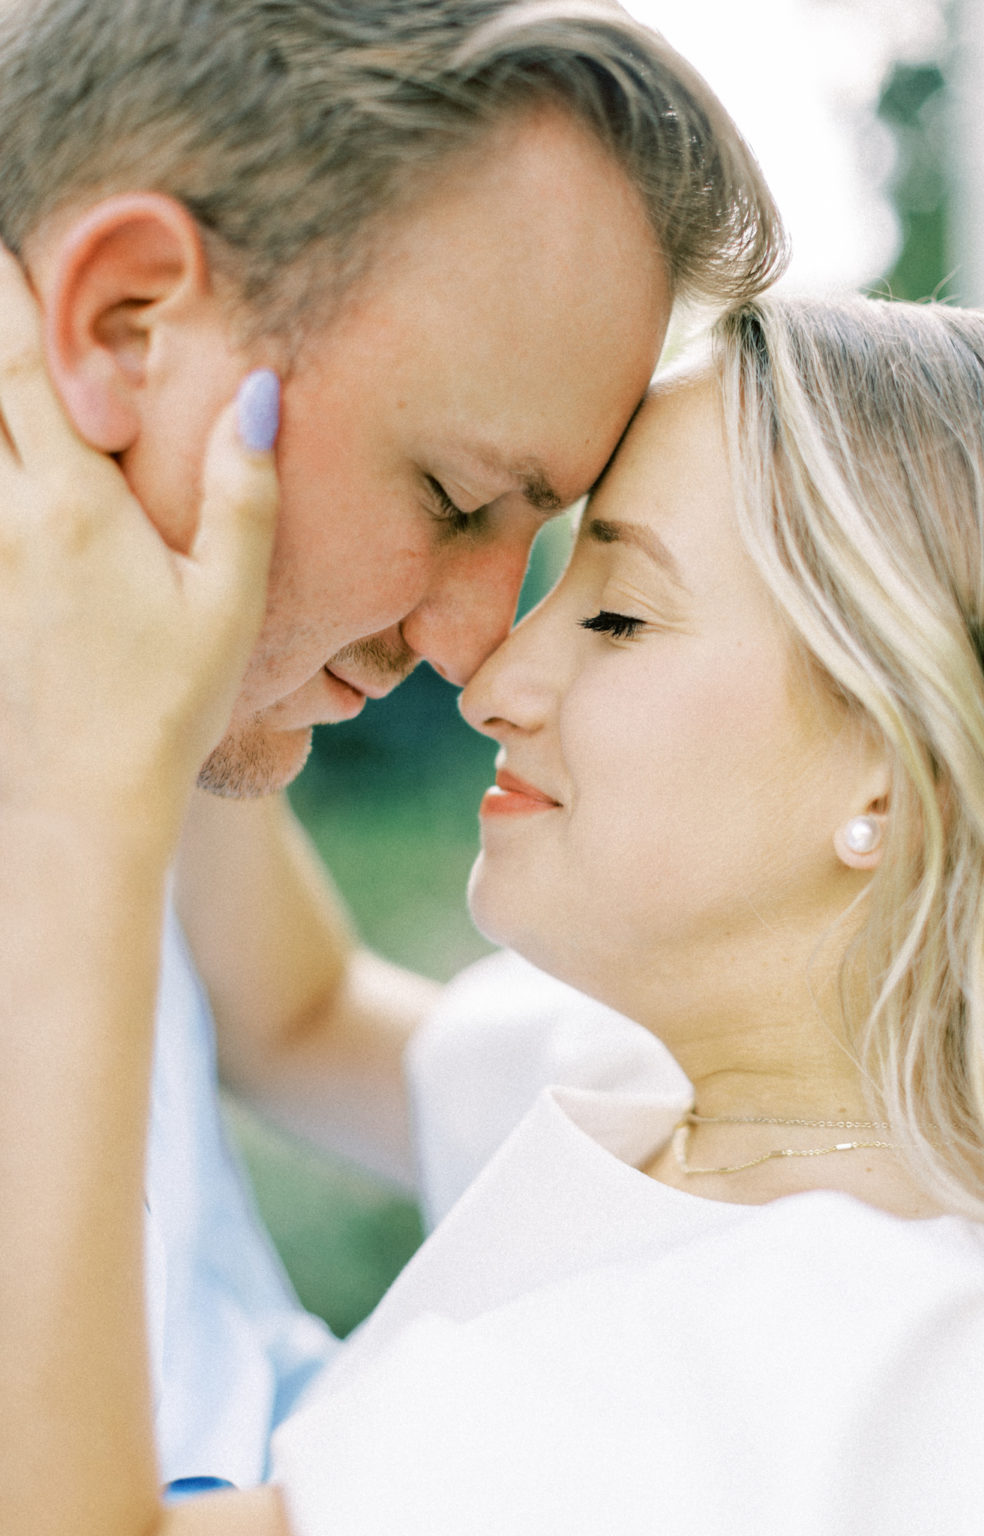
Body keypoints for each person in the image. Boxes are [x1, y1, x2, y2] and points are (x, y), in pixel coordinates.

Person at [10, 266, 984, 1531]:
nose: (493, 672)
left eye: (614, 616)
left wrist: (83, 784)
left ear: (902, 763)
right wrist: (213, 609)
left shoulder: (823, 1355)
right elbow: (300, 1016)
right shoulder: (665, 1090)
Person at [0, 0, 787, 1497]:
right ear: (123, 320)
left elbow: (289, 1010)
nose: (486, 650)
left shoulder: (117, 752)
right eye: (450, 495)